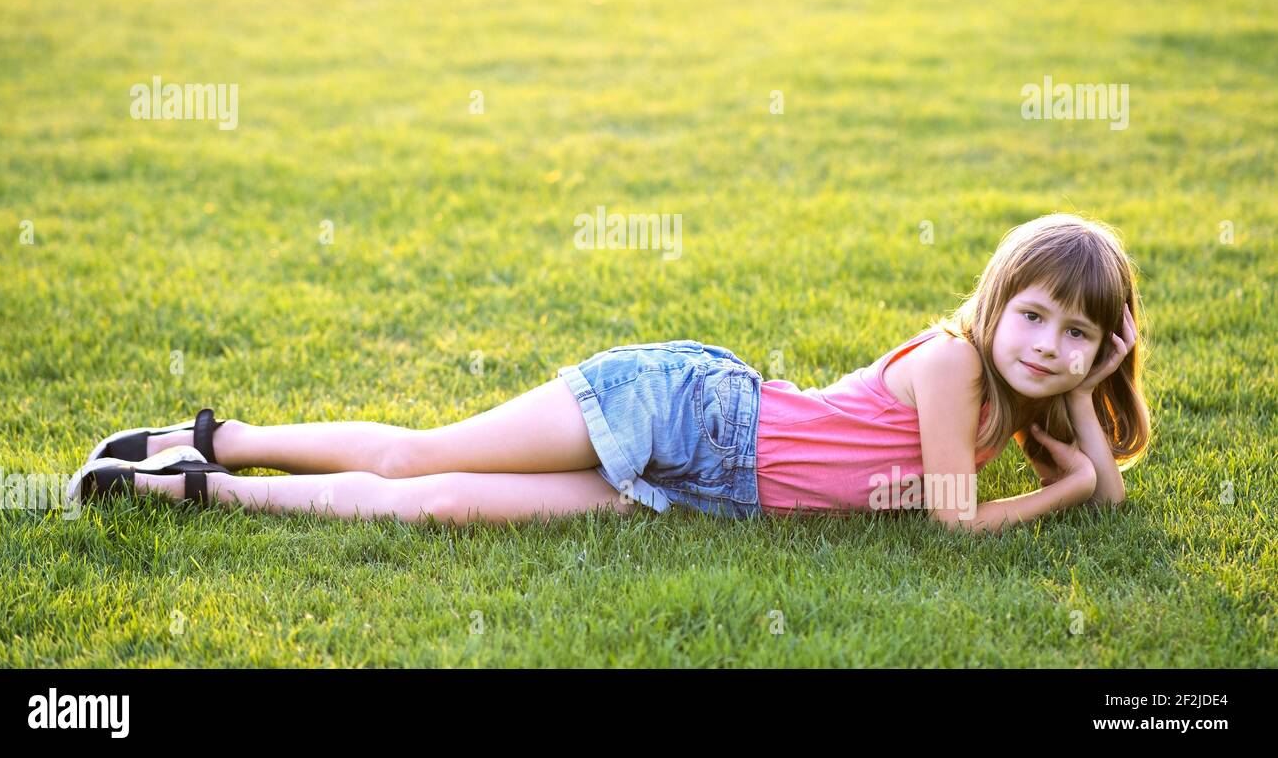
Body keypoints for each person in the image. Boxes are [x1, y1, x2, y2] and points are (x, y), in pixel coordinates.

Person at [68, 212, 1150, 535]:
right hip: (687, 407)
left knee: (438, 506)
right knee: (419, 453)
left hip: (706, 487)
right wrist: (1054, 482)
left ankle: (196, 486)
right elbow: (956, 521)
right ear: (995, 300)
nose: (1046, 344)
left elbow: (1108, 484)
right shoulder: (960, 364)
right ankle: (222, 434)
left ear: (1103, 347)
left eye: (1076, 335)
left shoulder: (1023, 393)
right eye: (1035, 314)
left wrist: (1086, 396)